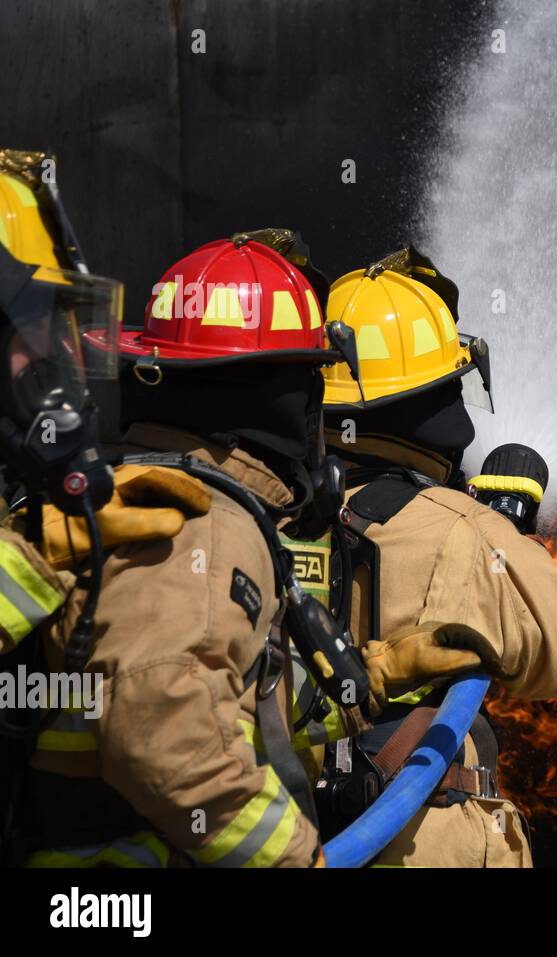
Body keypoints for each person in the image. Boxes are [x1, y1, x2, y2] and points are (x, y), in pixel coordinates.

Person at [13, 228, 374, 867]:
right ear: (290, 401)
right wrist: (297, 862)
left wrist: (383, 668)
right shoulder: (201, 522)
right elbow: (168, 732)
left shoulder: (117, 494)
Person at [319, 246, 557, 867]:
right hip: (418, 844)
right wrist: (509, 533)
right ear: (439, 398)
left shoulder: (257, 516)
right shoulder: (464, 531)